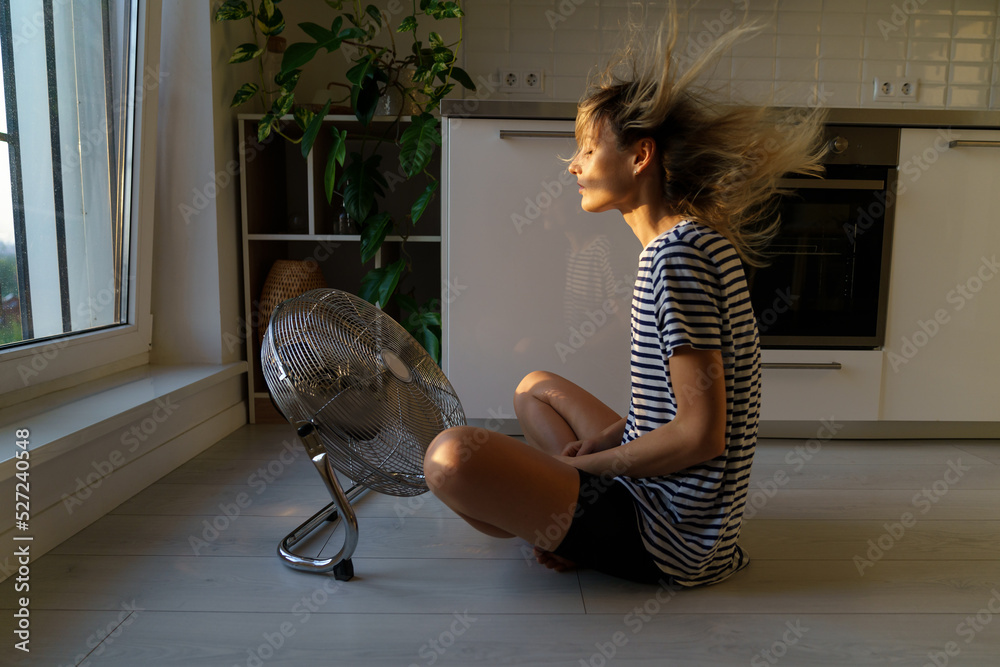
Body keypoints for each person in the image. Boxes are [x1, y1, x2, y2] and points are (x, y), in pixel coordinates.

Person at [422, 8, 824, 587]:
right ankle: (565, 513)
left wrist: (585, 466)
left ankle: (565, 520)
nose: (573, 165)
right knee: (534, 387)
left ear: (640, 157)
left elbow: (699, 434)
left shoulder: (675, 258)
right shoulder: (684, 242)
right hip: (667, 502)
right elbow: (661, 411)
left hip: (670, 533)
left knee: (450, 459)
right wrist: (599, 449)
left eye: (587, 149)